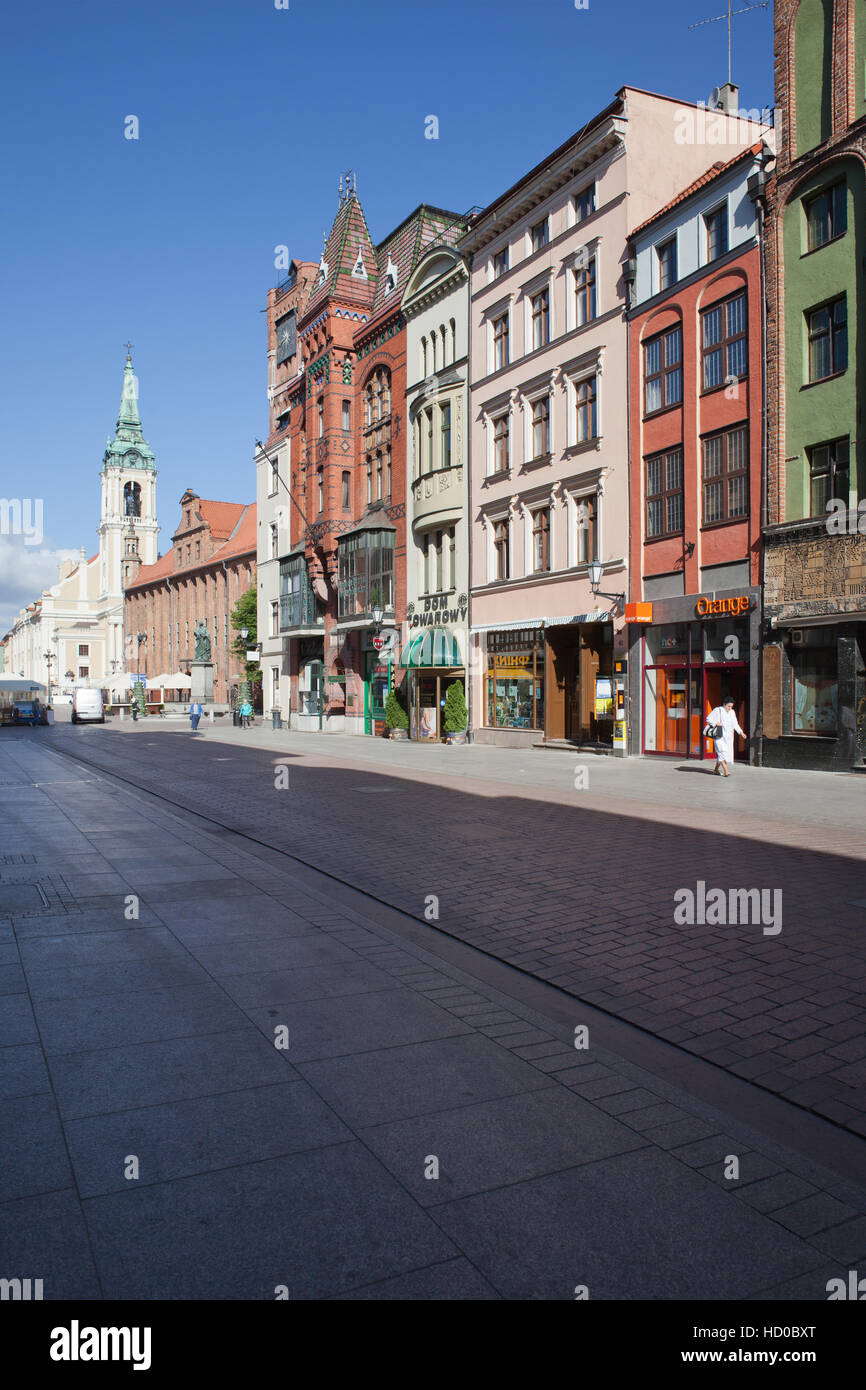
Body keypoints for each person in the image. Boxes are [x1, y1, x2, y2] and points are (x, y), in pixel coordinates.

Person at [705, 696, 746, 777]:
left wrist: (741, 732)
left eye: (731, 706)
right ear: (724, 704)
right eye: (728, 706)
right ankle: (726, 771)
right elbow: (708, 719)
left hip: (729, 736)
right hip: (719, 736)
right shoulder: (718, 710)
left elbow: (735, 724)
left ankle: (716, 770)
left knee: (725, 753)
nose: (730, 708)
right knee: (721, 752)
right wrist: (716, 723)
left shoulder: (732, 712)